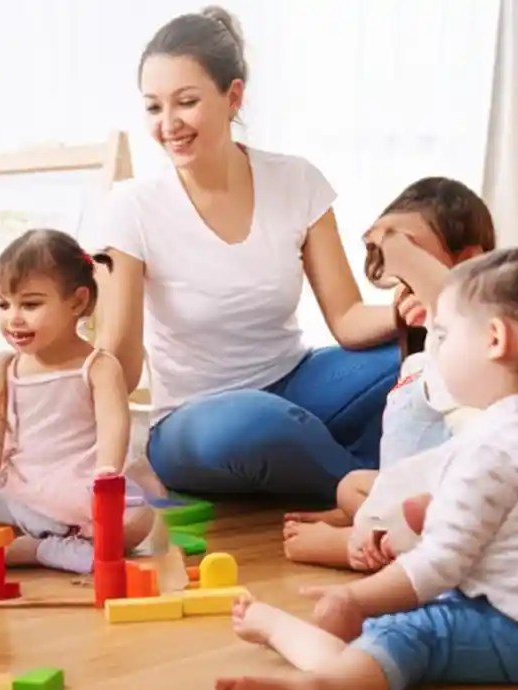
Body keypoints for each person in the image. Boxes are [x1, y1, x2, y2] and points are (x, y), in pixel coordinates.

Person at [217, 247, 518, 690]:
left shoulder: (493, 450)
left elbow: (438, 566)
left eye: (442, 334)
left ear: (495, 340)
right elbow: (501, 525)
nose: (434, 346)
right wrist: (420, 520)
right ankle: (275, 629)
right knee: (392, 615)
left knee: (402, 634)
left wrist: (356, 596)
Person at [90, 6, 401, 503]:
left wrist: (415, 313)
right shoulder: (132, 207)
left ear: (233, 97)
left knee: (419, 355)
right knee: (258, 426)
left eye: (185, 102)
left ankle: (338, 471)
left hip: (296, 382)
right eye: (153, 107)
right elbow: (120, 362)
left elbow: (347, 318)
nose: (168, 124)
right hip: (197, 421)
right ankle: (376, 495)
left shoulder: (297, 181)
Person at [281, 177, 496, 565]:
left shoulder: (467, 354)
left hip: (445, 503)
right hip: (405, 489)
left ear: (467, 265)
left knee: (305, 545)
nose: (403, 285)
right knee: (351, 487)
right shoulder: (421, 353)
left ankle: (353, 545)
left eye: (414, 257)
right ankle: (365, 520)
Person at [0, 230, 155, 573]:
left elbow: (114, 424)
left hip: (77, 480)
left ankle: (43, 544)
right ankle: (44, 547)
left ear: (76, 302)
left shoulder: (98, 366)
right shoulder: (4, 367)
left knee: (137, 521)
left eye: (30, 304)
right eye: (4, 303)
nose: (14, 317)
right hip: (22, 485)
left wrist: (106, 473)